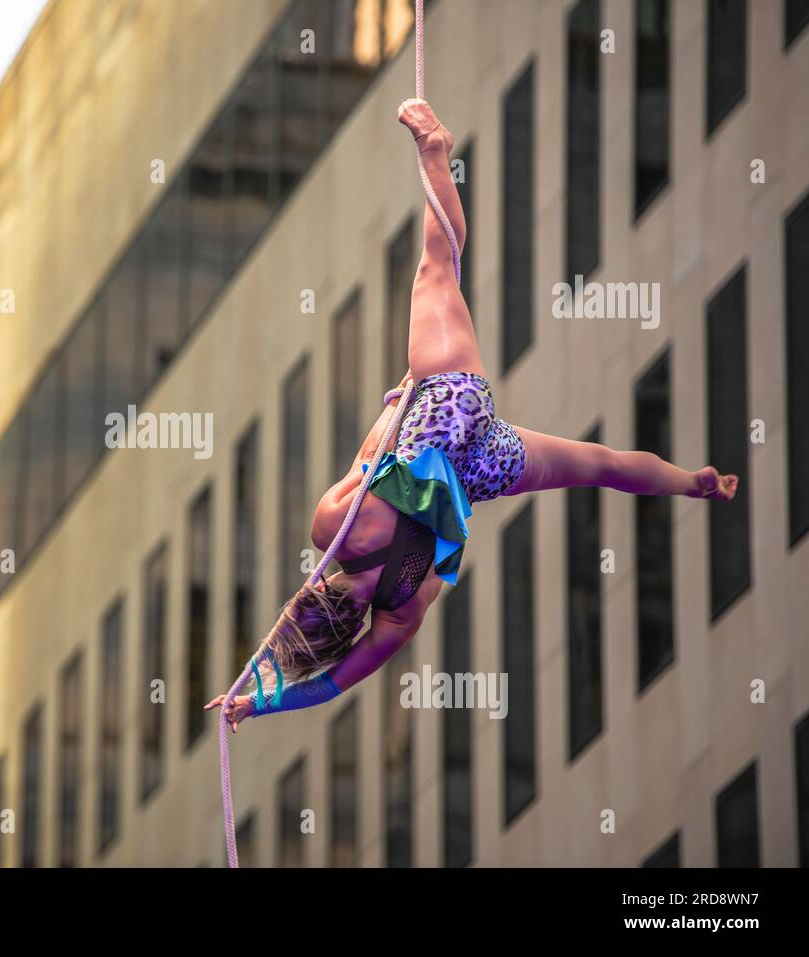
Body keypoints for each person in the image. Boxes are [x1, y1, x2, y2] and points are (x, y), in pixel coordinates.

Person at [206, 98, 738, 731]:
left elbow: (328, 687)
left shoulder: (398, 615)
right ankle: (435, 150)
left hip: (482, 467)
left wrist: (260, 701)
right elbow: (373, 456)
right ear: (310, 596)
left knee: (600, 466)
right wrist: (404, 393)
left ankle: (691, 482)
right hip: (441, 412)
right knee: (437, 266)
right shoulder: (334, 535)